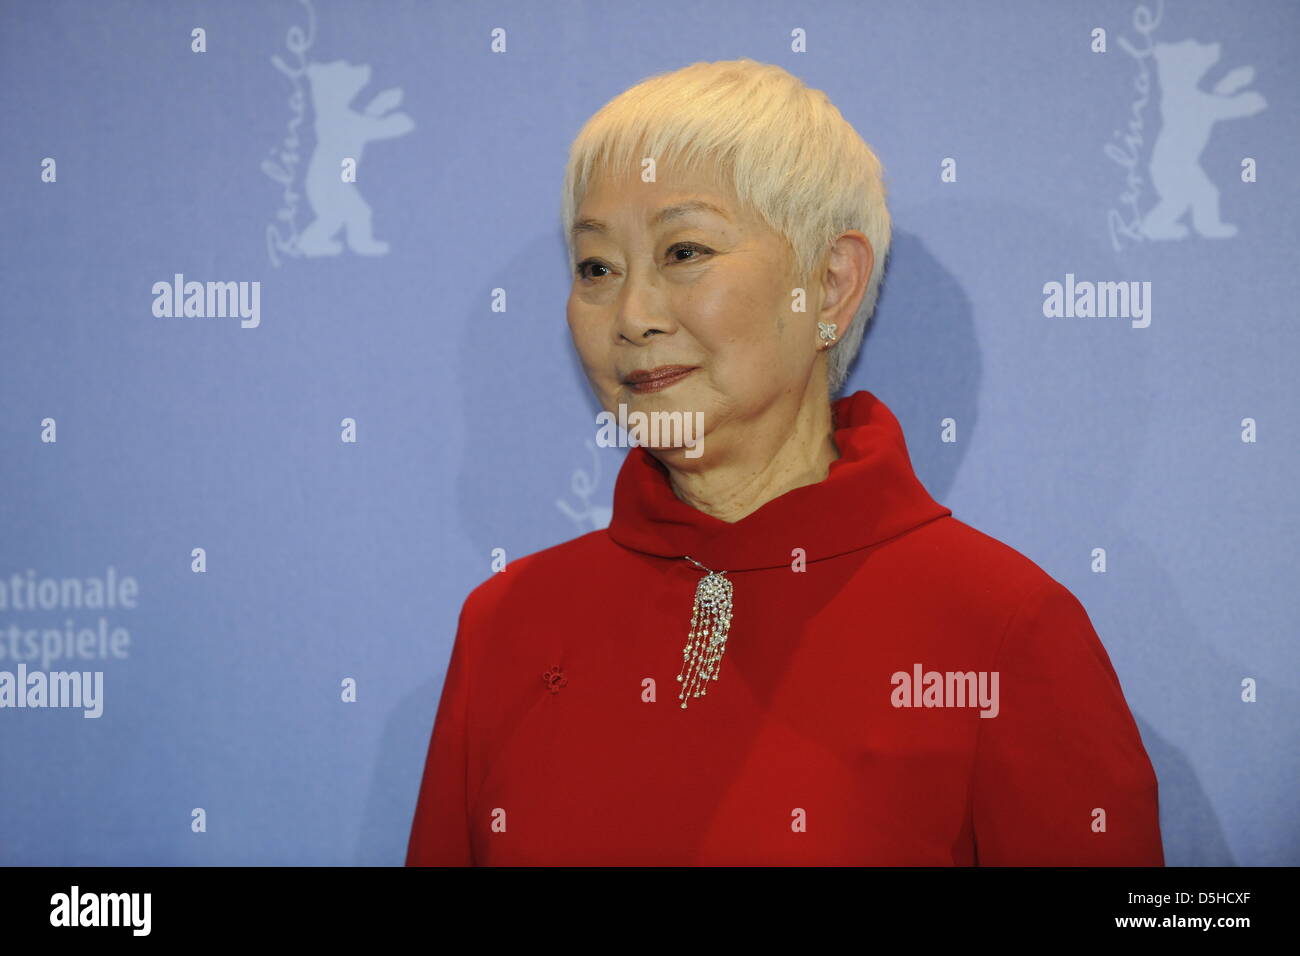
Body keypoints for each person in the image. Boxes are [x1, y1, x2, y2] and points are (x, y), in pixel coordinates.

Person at [406, 58, 1164, 866]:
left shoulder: (1002, 628)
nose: (631, 315)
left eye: (684, 250)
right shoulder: (505, 623)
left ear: (830, 285)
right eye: (597, 267)